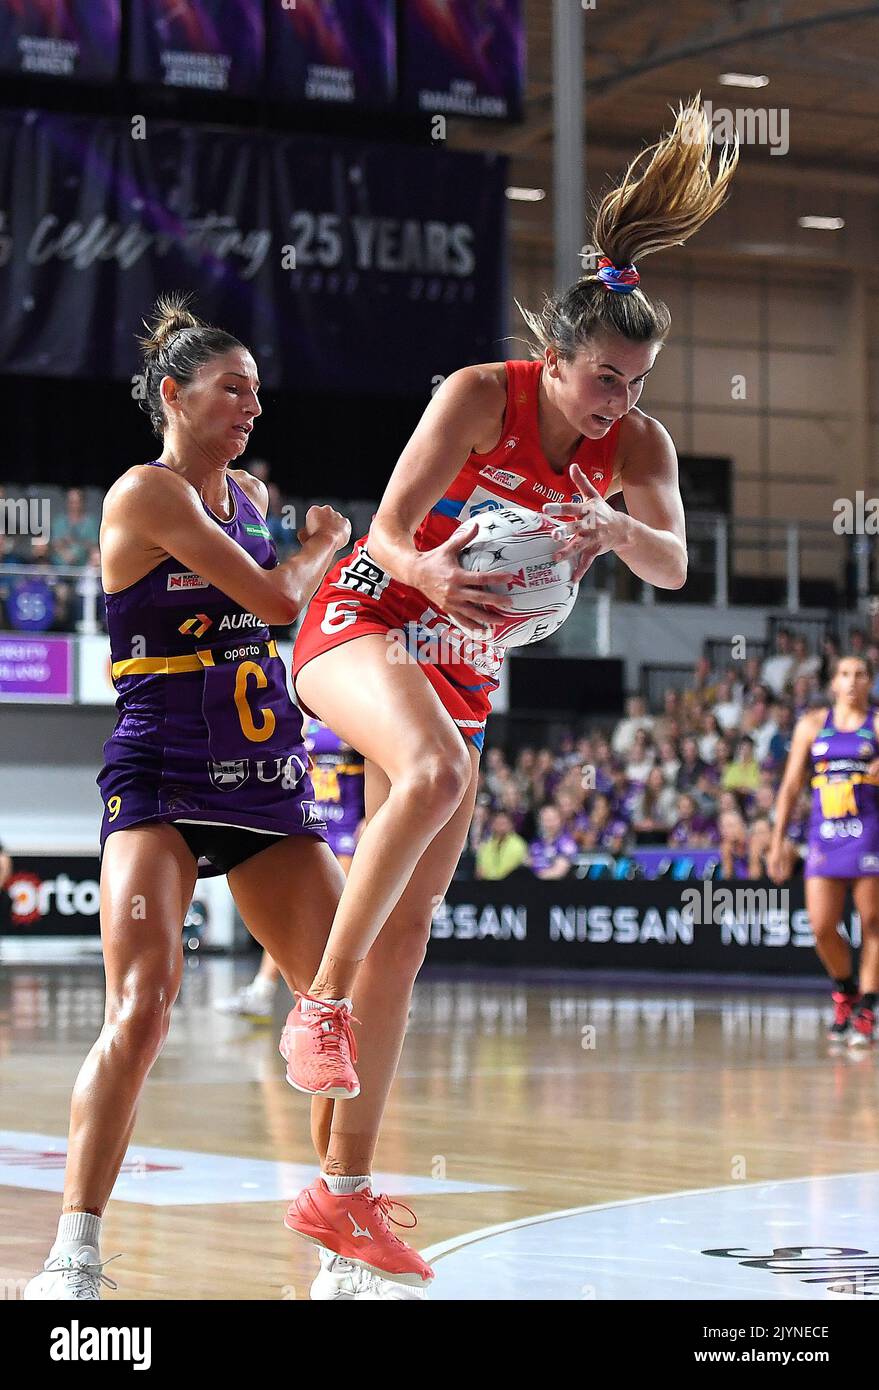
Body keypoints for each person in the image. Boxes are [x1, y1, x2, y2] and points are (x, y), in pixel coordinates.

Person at [277, 95, 736, 1276]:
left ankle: (343, 1195)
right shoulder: (479, 393)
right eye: (599, 378)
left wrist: (609, 525)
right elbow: (380, 528)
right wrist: (427, 567)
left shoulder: (639, 450)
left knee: (413, 940)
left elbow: (676, 562)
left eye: (634, 384)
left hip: (466, 658)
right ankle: (315, 1006)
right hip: (371, 612)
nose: (614, 402)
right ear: (556, 355)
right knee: (432, 774)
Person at [23, 295, 364, 1301]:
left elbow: (291, 622)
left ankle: (344, 1249)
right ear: (174, 396)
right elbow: (278, 597)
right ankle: (73, 1253)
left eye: (258, 392)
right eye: (232, 389)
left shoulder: (253, 500)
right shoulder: (147, 493)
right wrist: (327, 541)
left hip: (265, 785)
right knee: (142, 1005)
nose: (252, 406)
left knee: (338, 1013)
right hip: (163, 774)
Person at [215, 718, 366, 1022]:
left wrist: (371, 818)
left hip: (348, 827)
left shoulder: (356, 710)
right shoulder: (307, 719)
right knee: (295, 913)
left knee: (350, 918)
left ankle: (371, 993)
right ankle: (262, 990)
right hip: (314, 822)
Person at [768, 655, 879, 1047]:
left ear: (870, 681)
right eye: (845, 674)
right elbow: (791, 786)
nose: (852, 681)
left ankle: (866, 1007)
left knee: (872, 924)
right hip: (825, 835)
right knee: (821, 926)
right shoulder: (813, 725)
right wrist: (777, 841)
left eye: (860, 674)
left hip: (868, 831)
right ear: (833, 683)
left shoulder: (877, 724)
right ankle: (845, 989)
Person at [475, 809, 529, 881]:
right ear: (492, 825)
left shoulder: (519, 844)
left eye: (504, 823)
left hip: (512, 884)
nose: (500, 826)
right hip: (488, 885)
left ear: (511, 824)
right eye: (498, 823)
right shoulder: (486, 845)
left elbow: (516, 868)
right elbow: (480, 869)